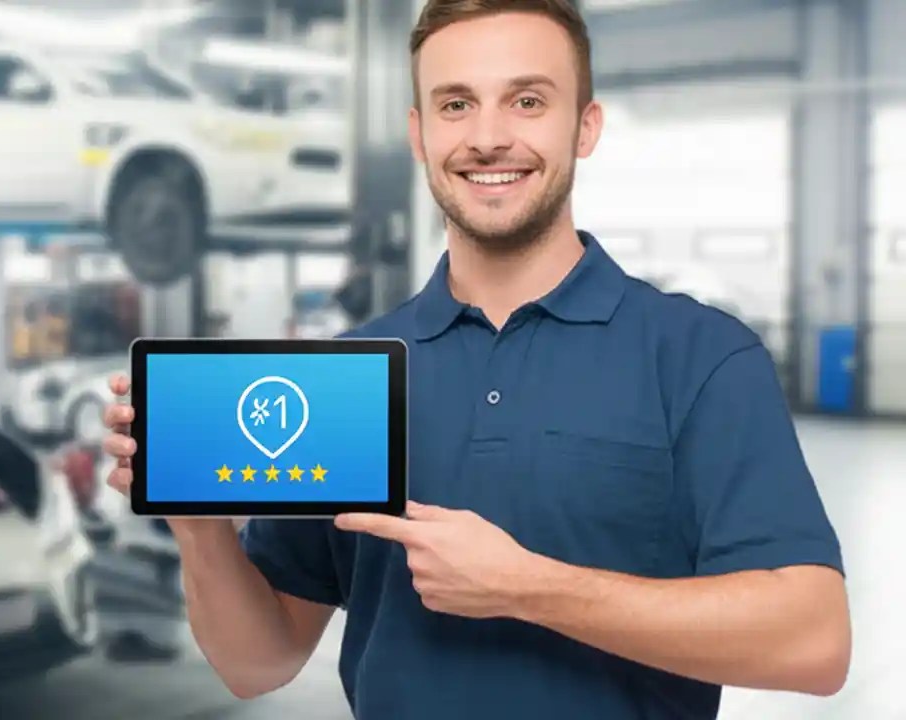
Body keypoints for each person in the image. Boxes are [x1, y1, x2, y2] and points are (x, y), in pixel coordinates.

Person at [100, 1, 852, 717]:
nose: (488, 137)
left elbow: (814, 643)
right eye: (456, 104)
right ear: (420, 132)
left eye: (527, 101)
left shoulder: (700, 358)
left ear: (584, 127)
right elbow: (255, 663)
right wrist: (198, 531)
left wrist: (528, 587)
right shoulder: (349, 374)